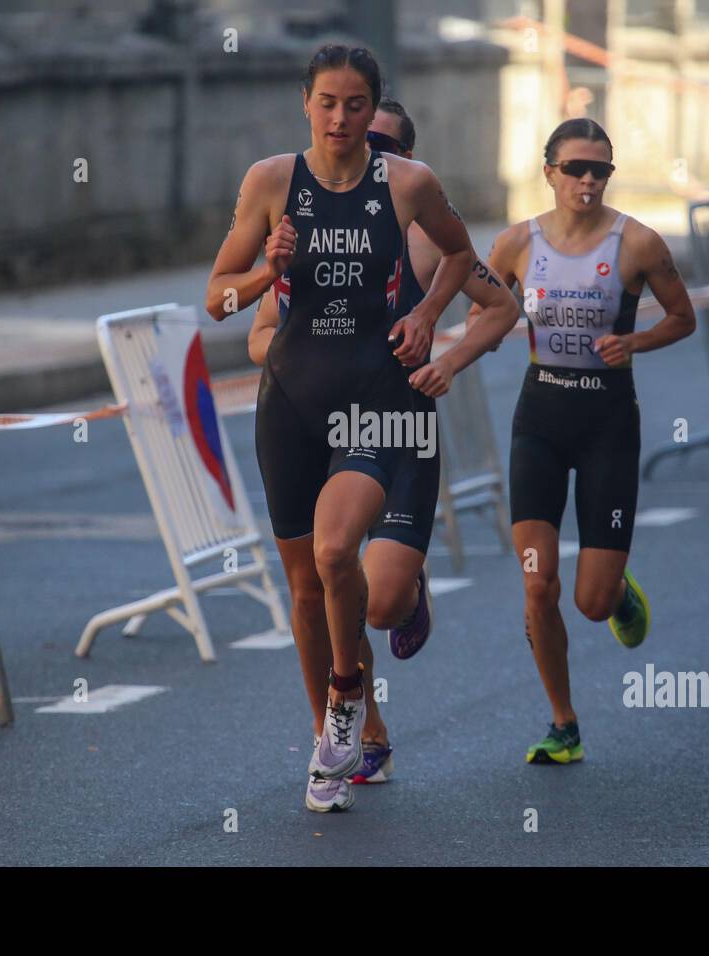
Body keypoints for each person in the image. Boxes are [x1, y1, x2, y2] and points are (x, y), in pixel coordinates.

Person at [206, 45, 484, 810]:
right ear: (306, 103)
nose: (340, 118)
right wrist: (267, 270)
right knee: (304, 587)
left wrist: (427, 316)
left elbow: (461, 255)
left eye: (356, 104)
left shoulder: (408, 184)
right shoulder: (269, 182)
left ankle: (347, 700)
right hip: (291, 403)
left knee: (335, 551)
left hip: (377, 398)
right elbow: (217, 302)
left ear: (374, 110)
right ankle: (331, 742)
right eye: (327, 102)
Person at [247, 97, 520, 794]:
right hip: (319, 417)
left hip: (398, 421)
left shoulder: (422, 229)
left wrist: (445, 356)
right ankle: (348, 736)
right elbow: (257, 330)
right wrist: (295, 355)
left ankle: (408, 585)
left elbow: (502, 308)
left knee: (381, 603)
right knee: (323, 573)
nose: (360, 153)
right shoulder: (307, 221)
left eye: (382, 145)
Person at [472, 118, 695, 765]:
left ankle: (619, 591)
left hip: (607, 425)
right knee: (538, 583)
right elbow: (483, 308)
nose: (589, 181)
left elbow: (684, 317)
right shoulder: (516, 244)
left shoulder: (639, 244)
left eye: (601, 170)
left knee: (590, 603)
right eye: (576, 169)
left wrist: (635, 342)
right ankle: (562, 724)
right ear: (549, 172)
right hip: (539, 421)